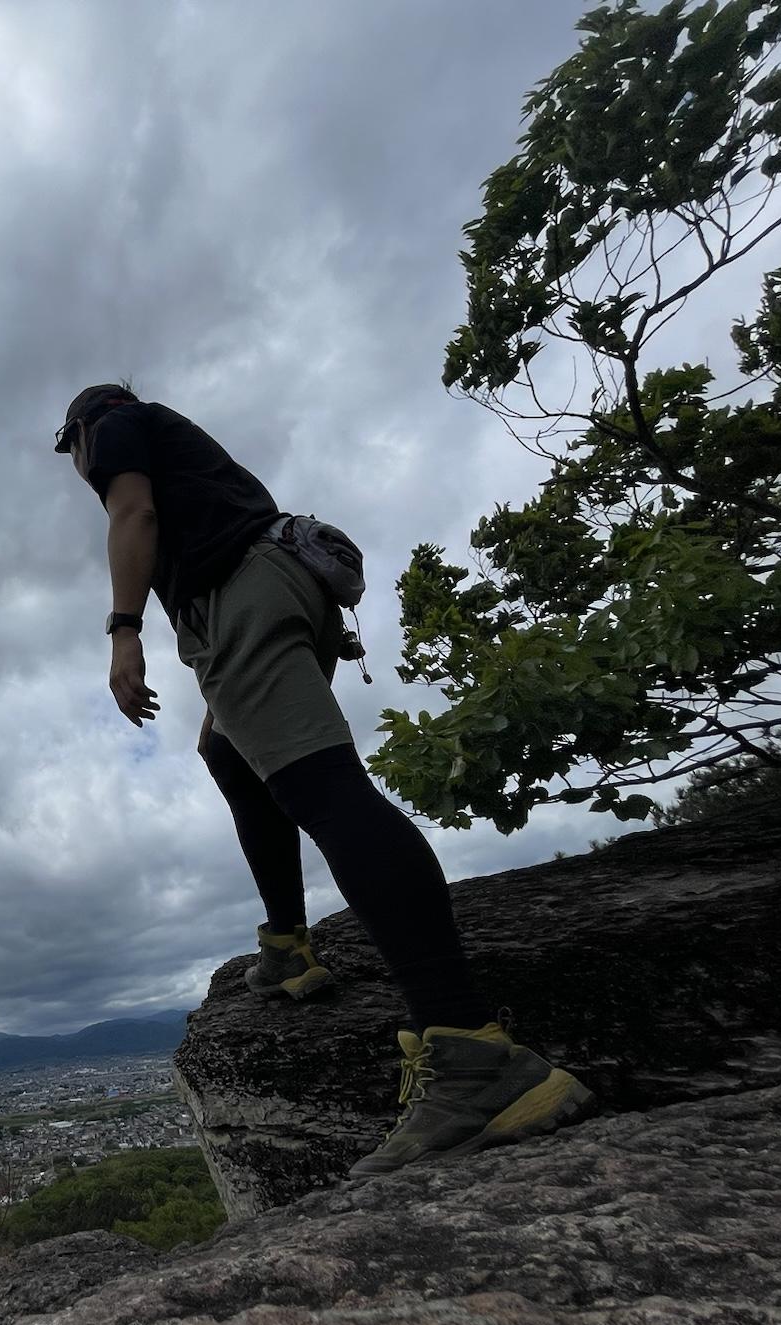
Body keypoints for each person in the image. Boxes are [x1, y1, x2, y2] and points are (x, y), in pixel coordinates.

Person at [53, 381, 593, 1177]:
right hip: (286, 584)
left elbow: (136, 515)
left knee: (326, 790)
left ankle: (472, 1054)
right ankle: (288, 947)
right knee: (229, 752)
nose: (76, 466)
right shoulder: (187, 449)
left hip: (243, 590)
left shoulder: (111, 426)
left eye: (69, 452)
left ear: (76, 433)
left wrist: (123, 630)